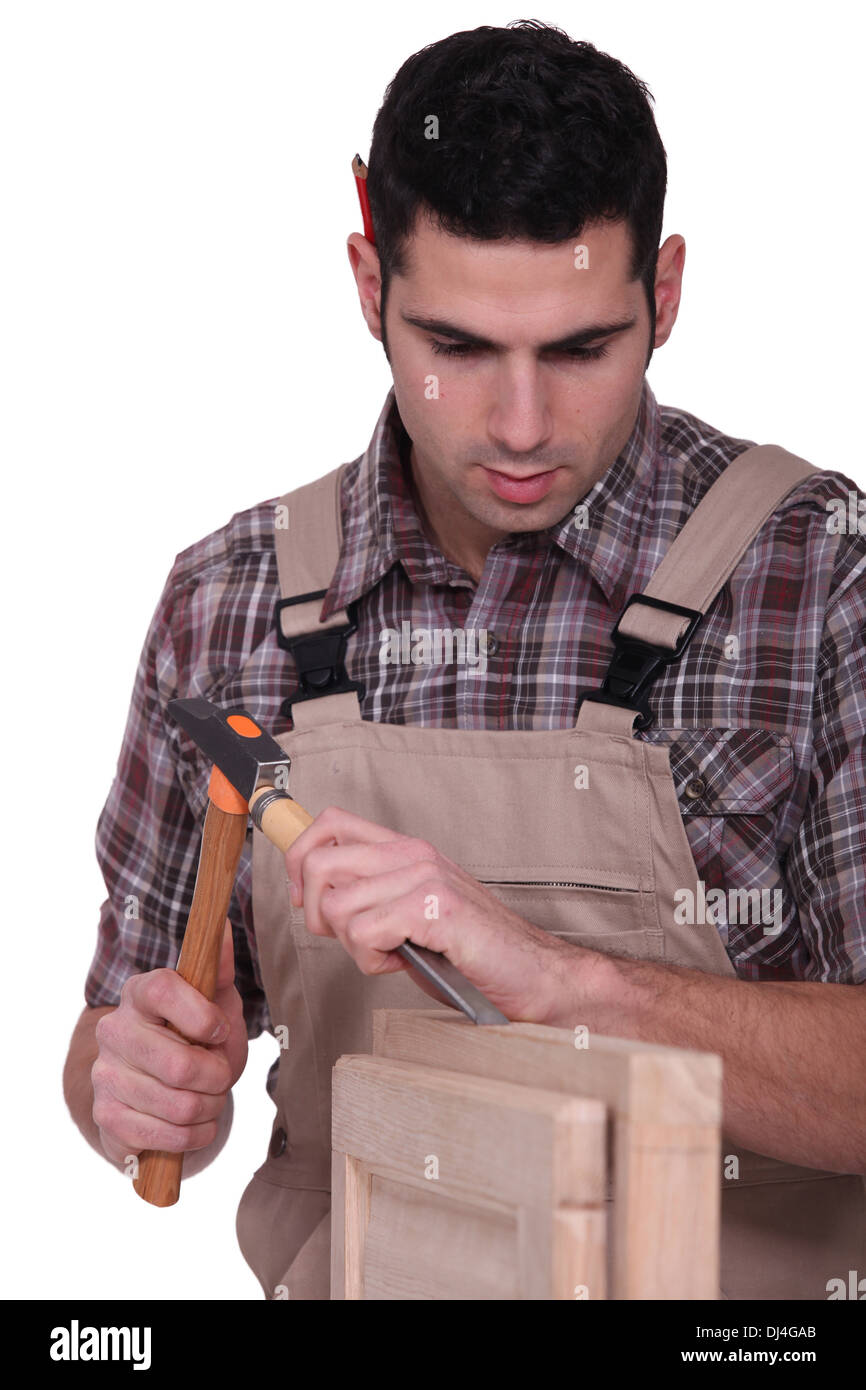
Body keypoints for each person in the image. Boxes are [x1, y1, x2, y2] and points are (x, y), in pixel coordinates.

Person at [63, 20, 865, 1300]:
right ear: (367, 283)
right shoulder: (230, 601)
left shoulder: (822, 578)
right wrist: (134, 1083)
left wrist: (559, 979)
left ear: (663, 291)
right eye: (456, 348)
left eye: (578, 349)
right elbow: (118, 1029)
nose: (520, 426)